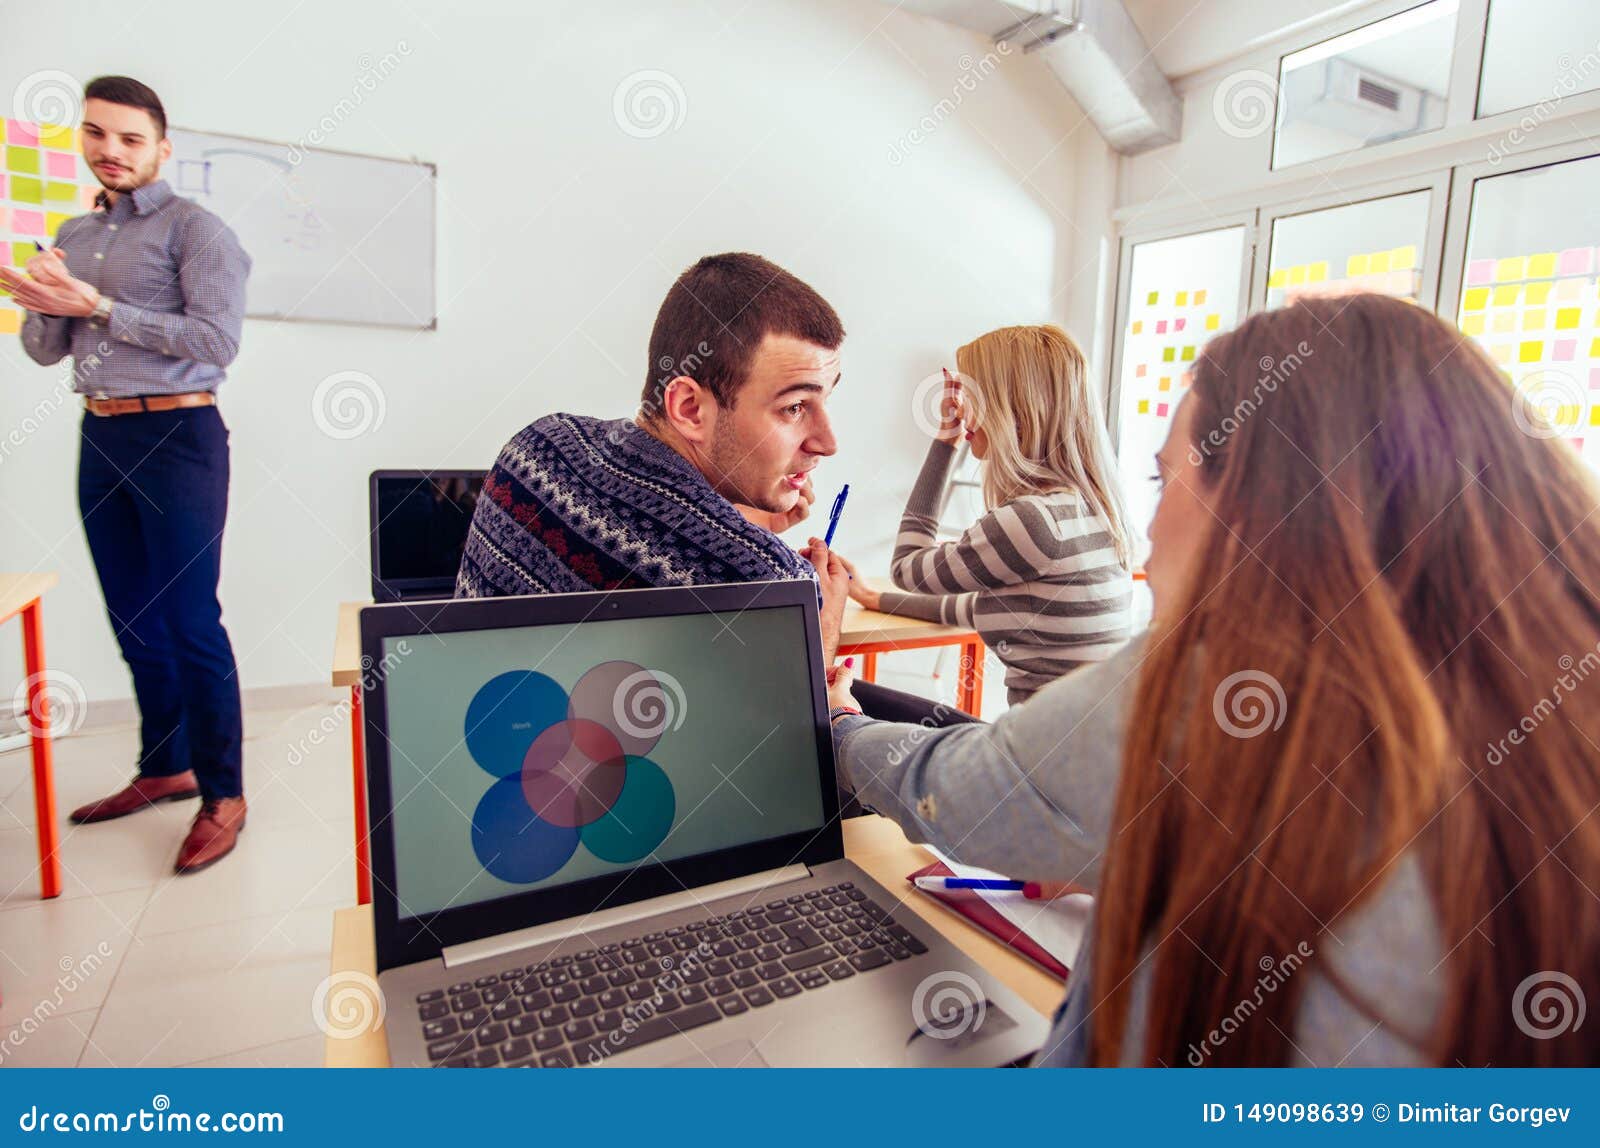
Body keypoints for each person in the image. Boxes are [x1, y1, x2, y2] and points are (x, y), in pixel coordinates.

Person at [826, 294, 1600, 1065]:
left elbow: (950, 789)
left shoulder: (1214, 685)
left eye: (1167, 483)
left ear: (1260, 505)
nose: (1152, 535)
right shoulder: (1537, 715)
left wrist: (838, 720)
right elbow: (967, 602)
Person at [455, 251, 967, 727]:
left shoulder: (539, 442)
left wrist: (742, 527)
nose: (828, 442)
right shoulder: (767, 583)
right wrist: (822, 622)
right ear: (689, 409)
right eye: (793, 408)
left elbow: (638, 539)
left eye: (826, 400)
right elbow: (776, 757)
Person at [3, 77, 253, 873]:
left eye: (130, 139)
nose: (111, 150)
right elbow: (47, 352)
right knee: (133, 618)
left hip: (179, 433)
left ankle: (224, 793)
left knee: (188, 620)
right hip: (101, 433)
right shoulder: (74, 233)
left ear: (161, 147)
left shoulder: (198, 231)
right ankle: (164, 767)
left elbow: (216, 341)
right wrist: (38, 300)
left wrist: (98, 306)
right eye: (97, 134)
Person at [835, 325, 1134, 705]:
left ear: (1014, 409)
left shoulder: (1031, 522)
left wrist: (946, 442)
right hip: (1083, 751)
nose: (965, 411)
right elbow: (978, 609)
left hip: (1039, 754)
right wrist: (874, 598)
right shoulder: (1091, 512)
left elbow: (907, 568)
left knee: (838, 706)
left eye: (975, 396)